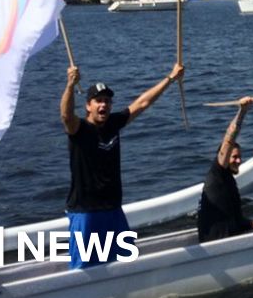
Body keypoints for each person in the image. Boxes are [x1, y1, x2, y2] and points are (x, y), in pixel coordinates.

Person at [61, 62, 184, 269]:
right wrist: (70, 85)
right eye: (98, 101)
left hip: (113, 210)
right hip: (86, 212)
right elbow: (66, 115)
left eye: (107, 101)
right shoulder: (78, 130)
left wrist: (170, 78)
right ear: (88, 106)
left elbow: (142, 103)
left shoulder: (113, 123)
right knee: (83, 269)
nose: (103, 105)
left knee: (125, 263)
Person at [197, 96, 253, 242]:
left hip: (229, 236)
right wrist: (242, 112)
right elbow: (230, 137)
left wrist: (248, 223)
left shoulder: (228, 179)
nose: (239, 161)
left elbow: (234, 216)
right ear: (224, 157)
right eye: (234, 157)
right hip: (218, 243)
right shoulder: (218, 172)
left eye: (240, 157)